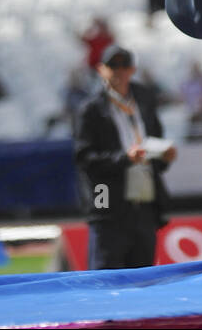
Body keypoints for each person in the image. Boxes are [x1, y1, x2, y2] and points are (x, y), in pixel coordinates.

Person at [74, 44, 176, 270]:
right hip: (108, 206)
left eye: (125, 66)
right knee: (106, 279)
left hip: (144, 203)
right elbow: (85, 159)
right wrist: (124, 158)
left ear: (133, 69)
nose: (119, 71)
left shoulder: (144, 99)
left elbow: (155, 137)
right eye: (113, 66)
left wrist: (163, 156)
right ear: (101, 69)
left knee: (143, 279)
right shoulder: (90, 109)